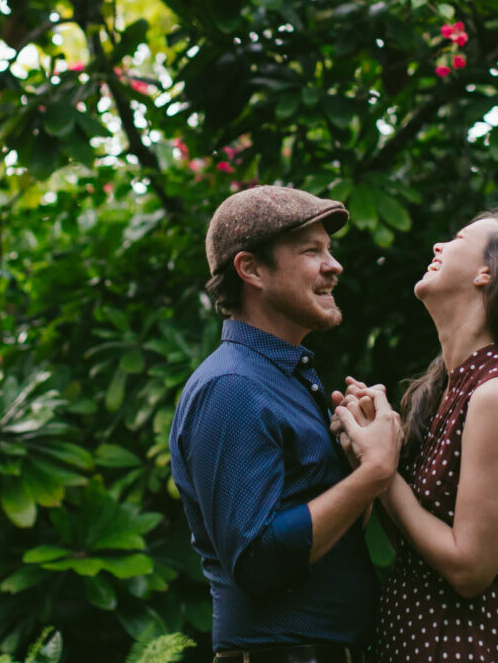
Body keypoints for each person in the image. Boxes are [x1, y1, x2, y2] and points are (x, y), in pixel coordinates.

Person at [333, 204, 498, 663]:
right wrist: (368, 448)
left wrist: (381, 468)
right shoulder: (448, 388)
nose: (438, 245)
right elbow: (415, 543)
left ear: (489, 272)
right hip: (416, 636)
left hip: (464, 643)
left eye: (460, 238)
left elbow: (469, 567)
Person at [170, 185, 404, 663]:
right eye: (310, 251)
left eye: (330, 250)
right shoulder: (232, 385)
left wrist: (354, 458)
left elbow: (323, 538)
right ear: (251, 269)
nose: (333, 265)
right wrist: (373, 472)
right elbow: (257, 562)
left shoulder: (285, 376)